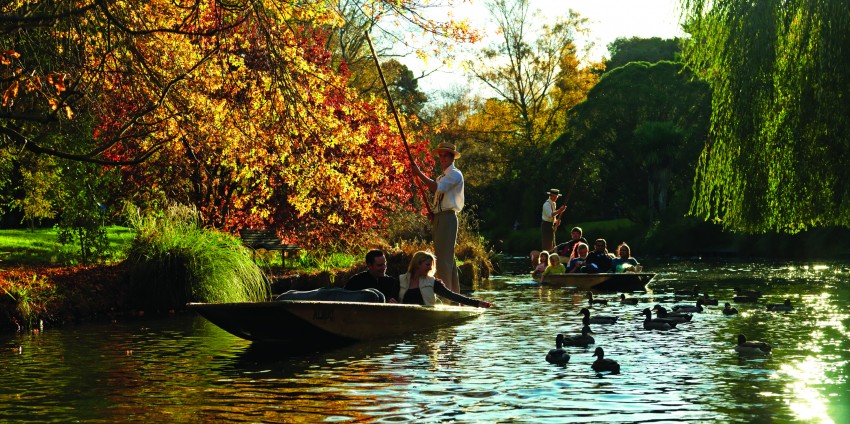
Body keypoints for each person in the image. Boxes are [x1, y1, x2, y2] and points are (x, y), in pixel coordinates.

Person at [413, 142, 464, 294]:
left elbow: (436, 188)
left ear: (452, 157)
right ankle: (455, 297)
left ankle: (446, 297)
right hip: (440, 217)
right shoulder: (442, 176)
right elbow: (439, 197)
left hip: (448, 218)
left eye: (446, 155)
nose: (443, 158)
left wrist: (419, 174)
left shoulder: (455, 174)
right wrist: (434, 214)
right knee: (449, 260)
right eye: (441, 155)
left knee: (442, 261)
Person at [399, 251, 493, 308]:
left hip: (425, 318)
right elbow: (392, 298)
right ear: (417, 264)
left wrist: (477, 303)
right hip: (405, 318)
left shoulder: (433, 282)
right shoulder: (401, 280)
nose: (430, 268)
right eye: (427, 265)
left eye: (431, 265)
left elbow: (452, 296)